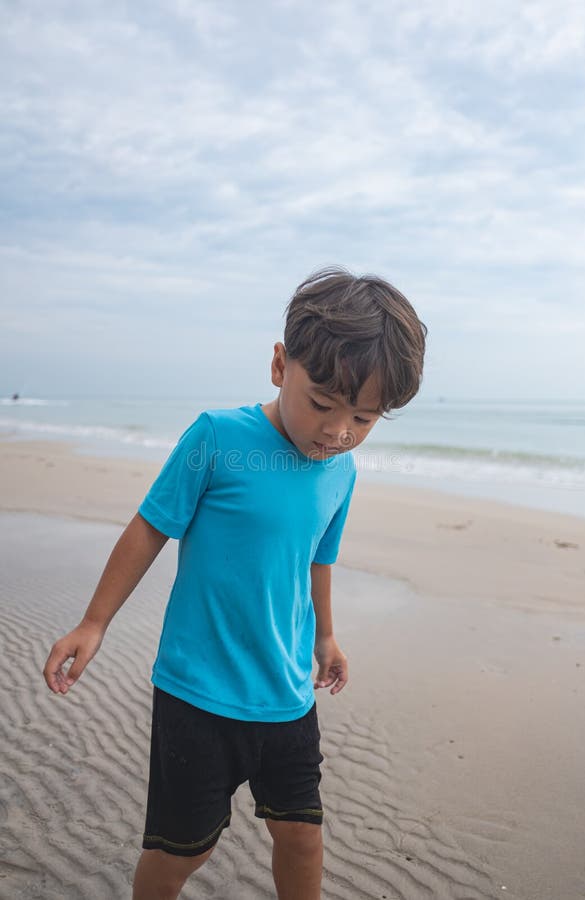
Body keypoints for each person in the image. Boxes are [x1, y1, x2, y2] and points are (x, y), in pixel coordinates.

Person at [43, 265, 427, 900]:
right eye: (324, 405)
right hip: (198, 697)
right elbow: (149, 529)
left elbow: (317, 558)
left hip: (286, 694)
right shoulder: (218, 438)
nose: (338, 432)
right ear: (281, 365)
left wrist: (326, 637)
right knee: (181, 850)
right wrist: (94, 622)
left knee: (302, 836)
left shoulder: (341, 471)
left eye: (363, 418)